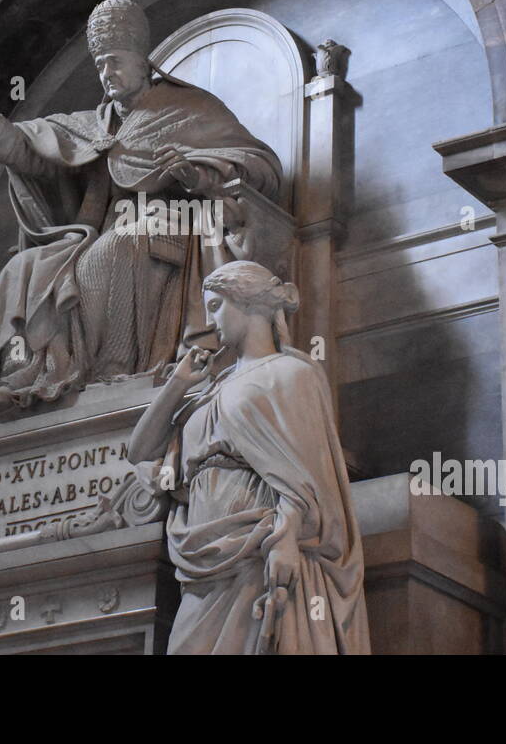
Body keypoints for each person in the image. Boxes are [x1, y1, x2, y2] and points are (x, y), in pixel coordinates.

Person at [0, 0, 282, 416]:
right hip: (99, 233)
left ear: (142, 61)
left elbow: (261, 168)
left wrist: (197, 174)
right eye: (99, 64)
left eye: (115, 61)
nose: (106, 72)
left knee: (116, 246)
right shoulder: (91, 127)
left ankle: (111, 370)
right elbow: (17, 147)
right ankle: (29, 375)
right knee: (21, 269)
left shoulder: (190, 109)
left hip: (174, 226)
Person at [127, 261, 370, 653]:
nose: (209, 319)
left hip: (259, 550)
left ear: (248, 302)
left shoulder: (291, 374)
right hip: (203, 561)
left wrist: (288, 538)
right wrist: (177, 384)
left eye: (216, 305)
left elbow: (306, 479)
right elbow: (139, 451)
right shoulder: (210, 389)